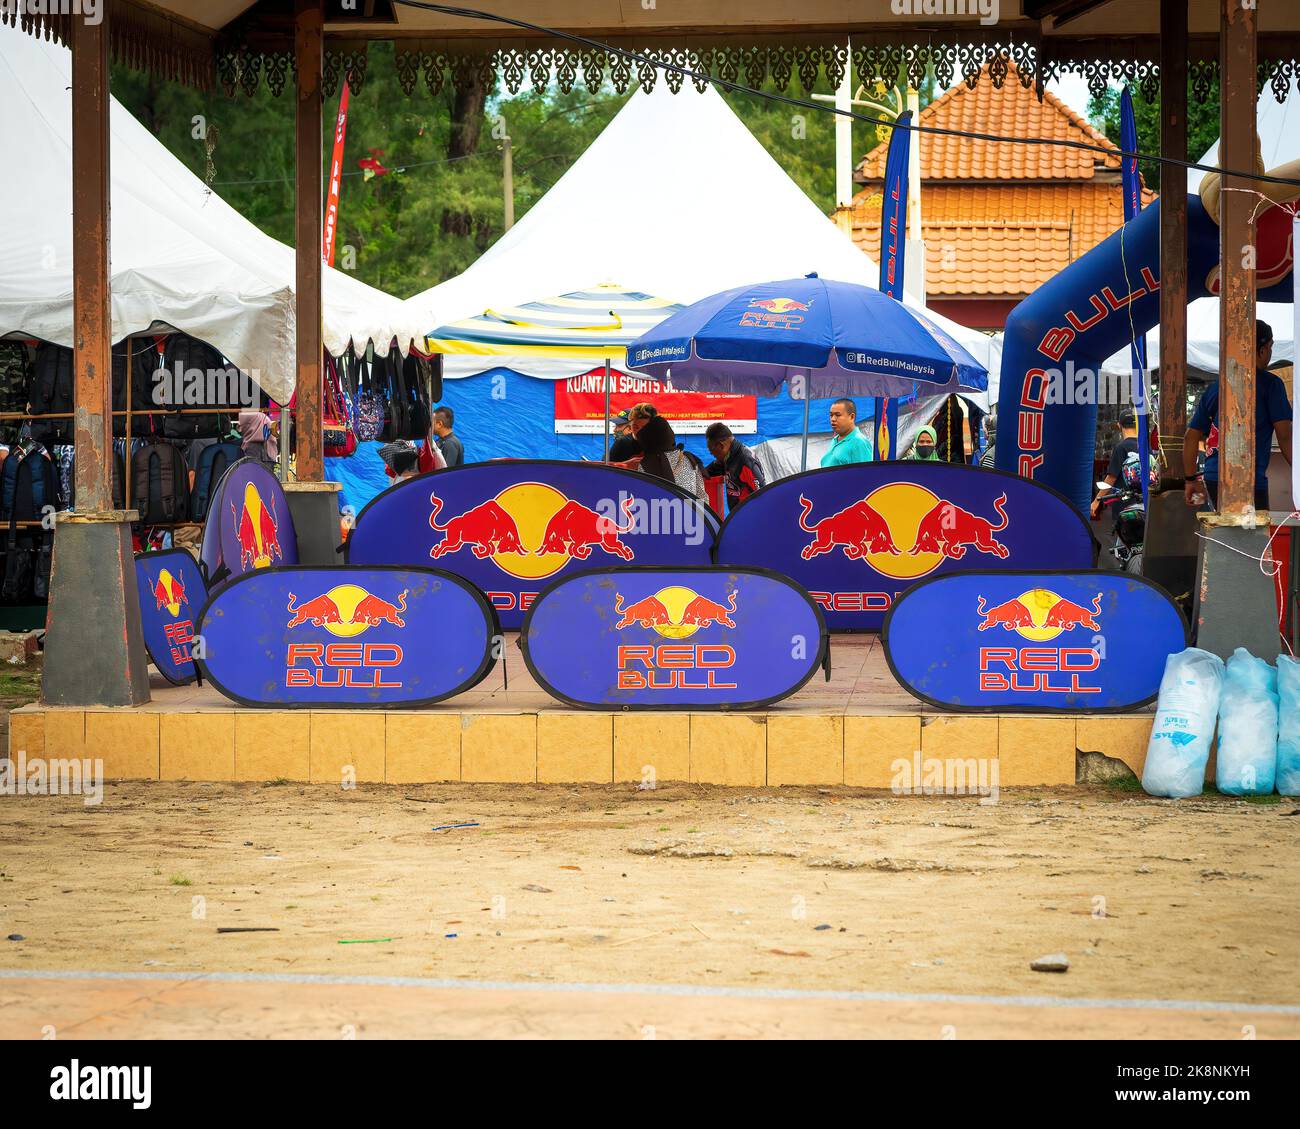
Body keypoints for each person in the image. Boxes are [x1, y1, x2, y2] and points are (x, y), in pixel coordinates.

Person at [1183, 320, 1292, 511]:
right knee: (1253, 538)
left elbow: (1191, 436)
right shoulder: (1271, 384)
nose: (1270, 352)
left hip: (1213, 477)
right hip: (1248, 481)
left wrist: (1190, 480)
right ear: (1261, 349)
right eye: (1270, 346)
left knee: (1224, 534)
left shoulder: (1217, 387)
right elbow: (1285, 437)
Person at [1091, 408, 1156, 522]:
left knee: (1124, 538)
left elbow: (1111, 477)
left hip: (1124, 507)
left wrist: (1097, 500)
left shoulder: (1121, 447)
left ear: (1119, 425)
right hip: (1144, 505)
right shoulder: (1146, 447)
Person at [705, 422, 764, 507]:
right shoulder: (727, 457)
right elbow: (709, 471)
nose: (713, 456)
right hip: (737, 515)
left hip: (748, 515)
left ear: (721, 446)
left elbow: (762, 494)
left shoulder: (745, 460)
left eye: (712, 452)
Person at [820, 398, 872, 467]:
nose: (833, 419)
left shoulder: (859, 442)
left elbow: (864, 474)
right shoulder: (835, 439)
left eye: (838, 415)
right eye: (831, 415)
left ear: (852, 417)